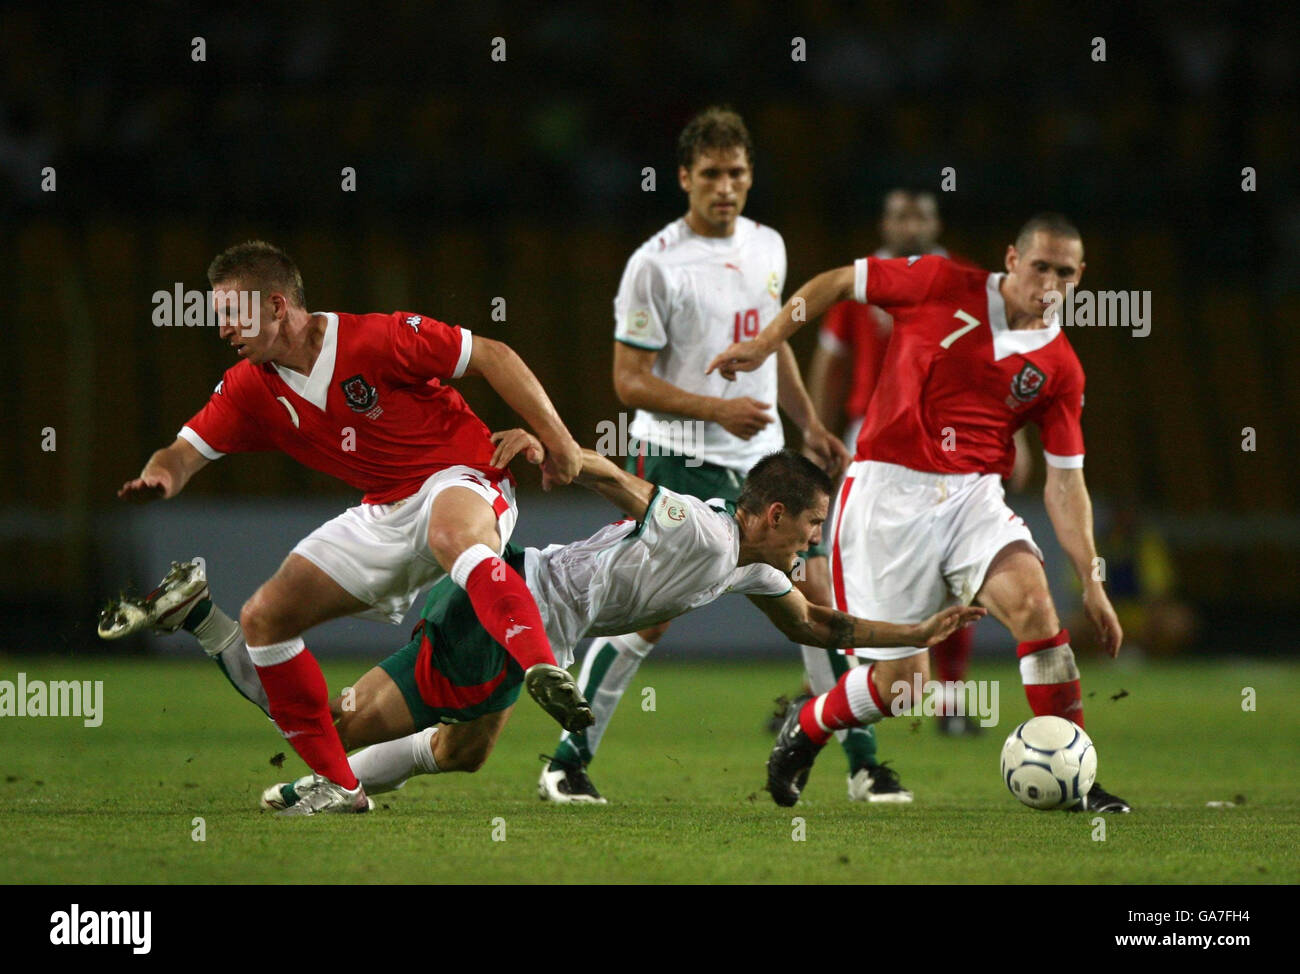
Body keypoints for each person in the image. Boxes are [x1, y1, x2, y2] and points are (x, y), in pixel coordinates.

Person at [102, 443, 982, 812]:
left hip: (534, 627)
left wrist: (917, 626)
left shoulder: (752, 562)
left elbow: (820, 620)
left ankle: (327, 783)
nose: (816, 540)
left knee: (467, 753)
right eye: (812, 525)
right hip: (507, 616)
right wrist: (555, 447)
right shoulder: (708, 529)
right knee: (330, 726)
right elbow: (617, 481)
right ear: (775, 512)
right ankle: (210, 623)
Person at [106, 241, 586, 815]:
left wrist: (559, 441)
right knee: (266, 621)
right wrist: (159, 478)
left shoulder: (376, 338)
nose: (223, 330)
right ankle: (341, 785)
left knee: (452, 534)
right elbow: (181, 454)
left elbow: (495, 355)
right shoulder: (248, 386)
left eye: (233, 315)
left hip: (460, 475)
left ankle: (541, 665)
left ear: (278, 306)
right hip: (383, 510)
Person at [707, 214, 1132, 812]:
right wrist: (766, 341)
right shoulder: (938, 281)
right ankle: (808, 725)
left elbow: (1066, 484)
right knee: (903, 688)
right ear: (1012, 259)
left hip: (973, 496)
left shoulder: (1061, 367)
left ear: (1080, 276)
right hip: (886, 493)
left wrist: (1091, 580)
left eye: (1065, 272)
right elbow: (835, 281)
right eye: (1041, 266)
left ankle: (1078, 780)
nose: (1051, 282)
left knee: (1038, 608)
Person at [539, 106, 850, 804]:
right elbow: (628, 380)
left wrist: (806, 424)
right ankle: (567, 760)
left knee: (813, 594)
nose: (725, 186)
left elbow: (774, 346)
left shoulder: (769, 246)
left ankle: (858, 762)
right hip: (678, 456)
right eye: (710, 173)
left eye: (736, 172)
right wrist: (718, 410)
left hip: (765, 455)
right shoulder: (654, 264)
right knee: (650, 616)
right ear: (684, 177)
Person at [806, 190, 1032, 747]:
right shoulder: (863, 284)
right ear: (884, 222)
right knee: (848, 567)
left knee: (960, 570)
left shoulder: (966, 284)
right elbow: (830, 363)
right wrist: (817, 431)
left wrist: (1015, 437)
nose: (911, 224)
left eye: (922, 215)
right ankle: (836, 687)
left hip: (956, 441)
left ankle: (950, 697)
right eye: (901, 215)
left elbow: (998, 370)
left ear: (936, 222)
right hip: (873, 440)